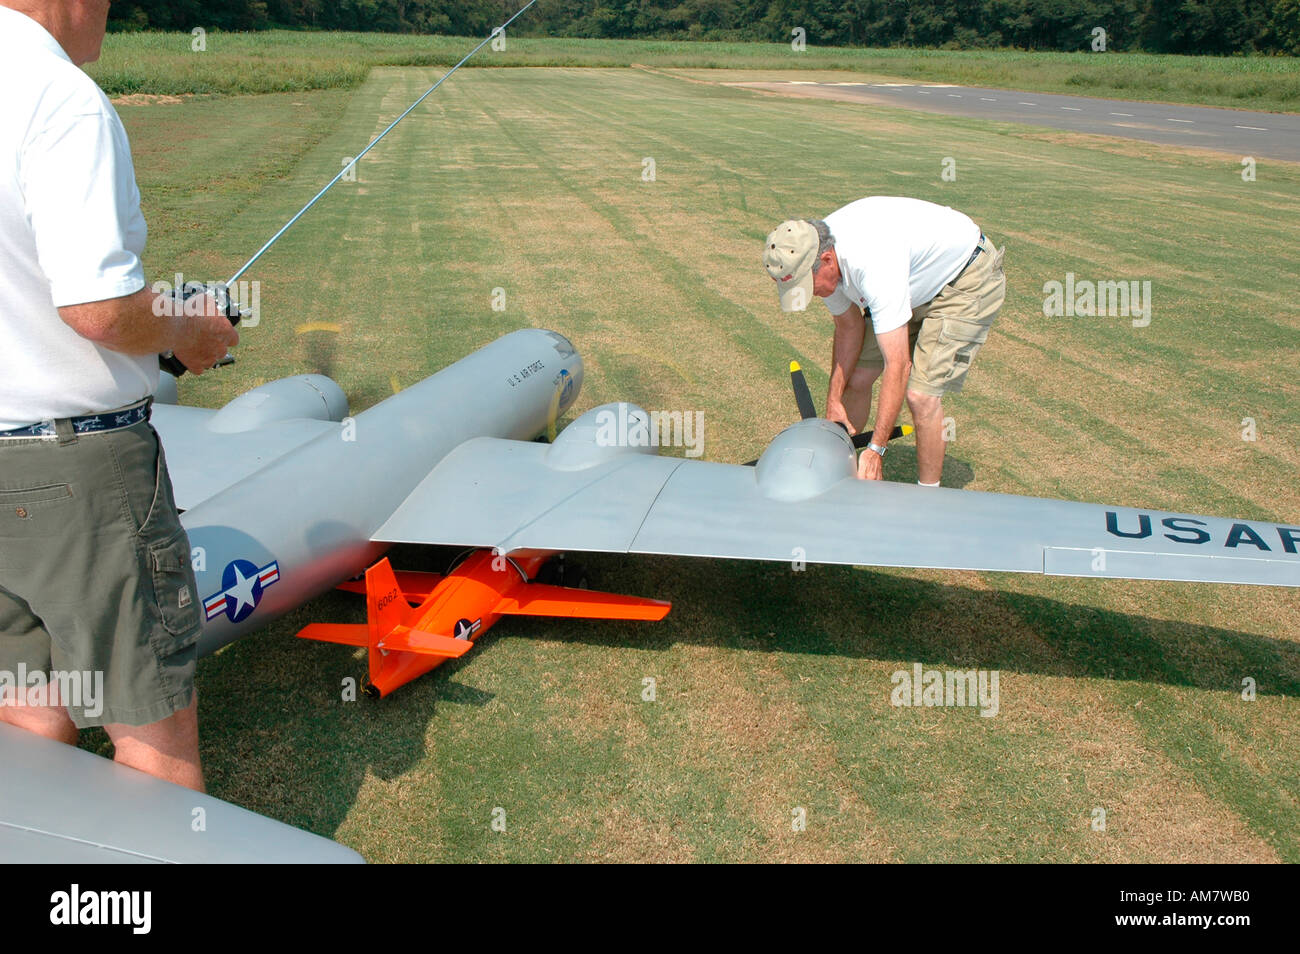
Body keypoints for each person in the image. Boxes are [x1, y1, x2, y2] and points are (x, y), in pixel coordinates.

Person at [0, 0, 238, 791]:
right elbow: (99, 310)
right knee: (152, 737)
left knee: (26, 712)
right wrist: (186, 334)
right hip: (81, 475)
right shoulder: (59, 97)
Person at [764, 196, 1005, 485]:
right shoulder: (819, 252)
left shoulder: (871, 263)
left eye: (806, 285)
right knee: (857, 378)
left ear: (826, 261)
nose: (809, 294)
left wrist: (877, 449)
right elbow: (848, 327)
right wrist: (834, 400)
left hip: (964, 277)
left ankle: (928, 499)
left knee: (921, 396)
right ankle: (838, 478)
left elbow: (898, 365)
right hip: (912, 281)